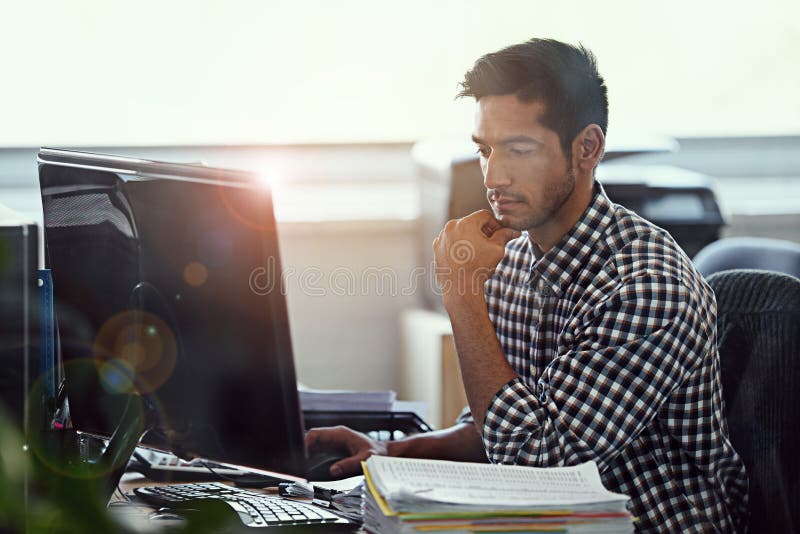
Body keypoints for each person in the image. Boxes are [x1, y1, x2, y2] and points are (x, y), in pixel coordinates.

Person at [306, 38, 748, 531]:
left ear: (587, 148)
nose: (493, 176)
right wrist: (390, 453)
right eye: (485, 151)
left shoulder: (647, 288)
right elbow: (495, 429)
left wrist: (462, 294)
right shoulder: (513, 260)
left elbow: (537, 460)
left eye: (519, 149)